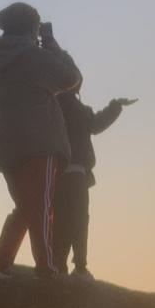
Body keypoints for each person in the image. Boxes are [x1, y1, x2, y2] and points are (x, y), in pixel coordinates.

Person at [0, 3, 81, 276]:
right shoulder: (35, 56)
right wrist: (53, 45)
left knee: (27, 206)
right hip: (40, 139)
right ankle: (46, 267)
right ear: (32, 28)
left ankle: (0, 261)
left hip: (7, 143)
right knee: (41, 206)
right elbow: (72, 77)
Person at [54, 92, 137, 280]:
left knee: (60, 220)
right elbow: (97, 123)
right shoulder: (79, 110)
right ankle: (80, 267)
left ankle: (58, 264)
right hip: (76, 174)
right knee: (79, 220)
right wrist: (116, 105)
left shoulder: (50, 106)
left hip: (56, 174)